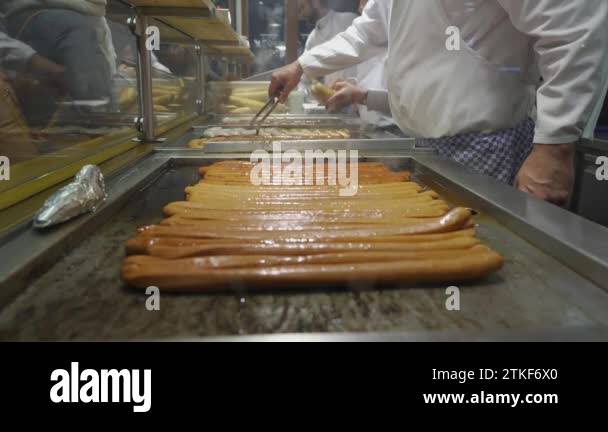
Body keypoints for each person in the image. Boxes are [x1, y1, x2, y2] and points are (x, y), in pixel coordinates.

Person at [271, 0, 608, 206]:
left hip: (487, 145)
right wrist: (302, 65)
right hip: (426, 147)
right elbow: (368, 32)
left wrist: (555, 147)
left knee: (483, 276)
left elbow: (573, 29)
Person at [298, 0, 393, 126]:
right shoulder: (314, 36)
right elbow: (371, 76)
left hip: (389, 126)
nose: (359, 8)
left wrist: (360, 95)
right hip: (367, 121)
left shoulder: (351, 23)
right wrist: (353, 85)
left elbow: (401, 100)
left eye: (366, 1)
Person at [299, 0, 359, 84]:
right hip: (335, 94)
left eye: (303, 7)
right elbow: (305, 76)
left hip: (361, 91)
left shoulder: (349, 20)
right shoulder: (312, 38)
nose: (302, 15)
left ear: (315, 2)